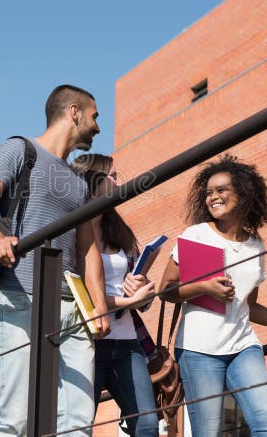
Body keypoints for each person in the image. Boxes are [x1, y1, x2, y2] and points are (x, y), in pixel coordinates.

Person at [0, 84, 111, 437]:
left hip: (72, 309)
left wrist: (99, 305)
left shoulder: (78, 183)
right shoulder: (20, 150)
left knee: (77, 423)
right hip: (20, 299)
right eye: (94, 116)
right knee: (16, 419)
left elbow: (88, 249)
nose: (98, 127)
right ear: (74, 111)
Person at [158, 154, 267, 437]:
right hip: (199, 350)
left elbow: (250, 308)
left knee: (266, 424)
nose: (213, 197)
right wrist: (205, 287)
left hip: (243, 346)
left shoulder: (256, 246)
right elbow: (165, 290)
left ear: (243, 194)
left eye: (221, 190)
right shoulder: (197, 235)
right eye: (209, 192)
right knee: (208, 433)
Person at [71, 153, 160, 437]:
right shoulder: (68, 232)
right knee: (79, 425)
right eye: (111, 176)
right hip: (88, 342)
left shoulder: (118, 230)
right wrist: (128, 301)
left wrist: (143, 291)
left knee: (146, 424)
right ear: (91, 181)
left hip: (127, 342)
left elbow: (132, 289)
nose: (117, 181)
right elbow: (78, 293)